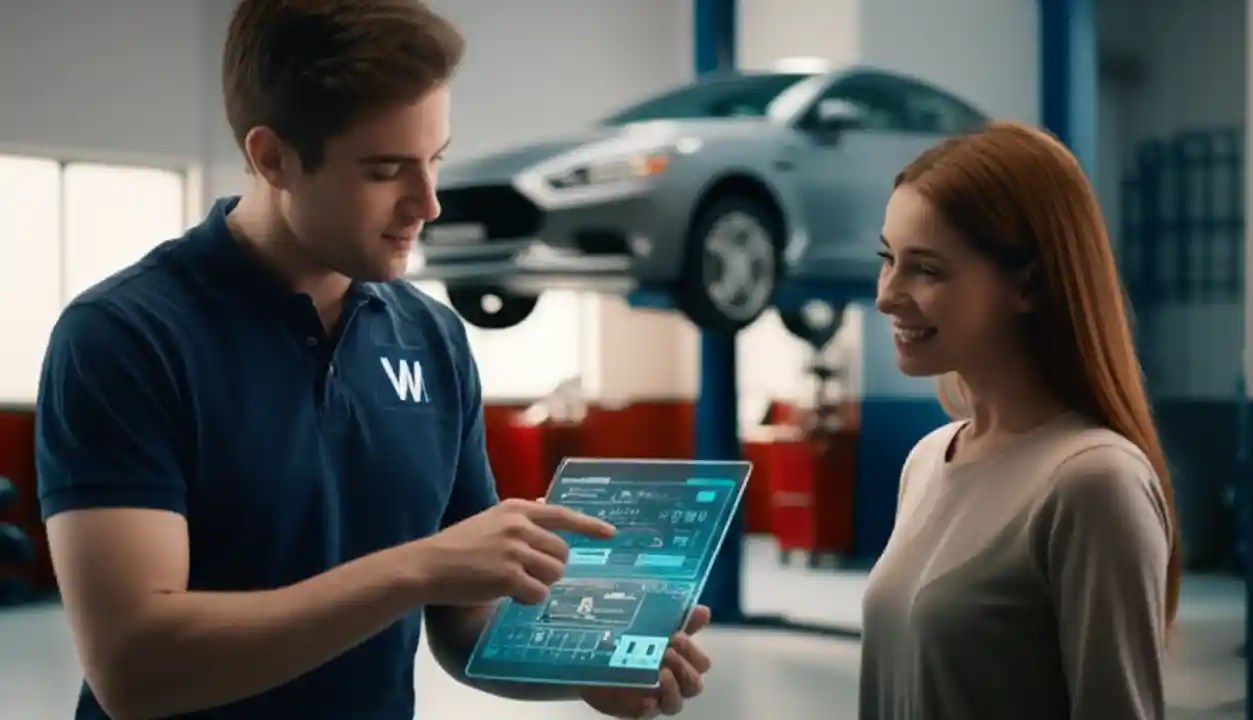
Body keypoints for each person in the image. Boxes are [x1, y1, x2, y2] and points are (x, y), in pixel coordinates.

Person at [34, 1, 710, 718]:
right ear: (274, 158)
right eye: (386, 170)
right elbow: (136, 671)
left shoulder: (433, 340)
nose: (428, 203)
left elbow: (467, 622)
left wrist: (579, 665)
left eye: (436, 160)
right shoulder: (125, 339)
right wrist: (414, 569)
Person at [860, 120, 1179, 720]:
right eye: (888, 259)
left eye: (925, 269)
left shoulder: (1091, 482)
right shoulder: (927, 462)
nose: (887, 294)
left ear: (1028, 285)